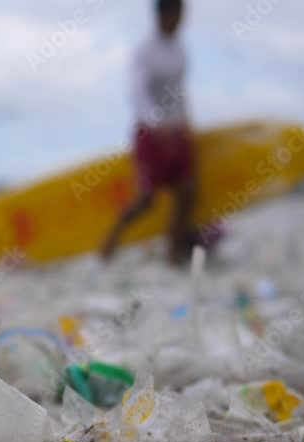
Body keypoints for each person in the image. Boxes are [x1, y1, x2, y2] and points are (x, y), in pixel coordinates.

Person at [101, 0, 195, 264]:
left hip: (177, 131)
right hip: (150, 133)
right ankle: (111, 239)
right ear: (162, 15)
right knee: (146, 199)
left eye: (181, 15)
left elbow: (179, 93)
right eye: (174, 15)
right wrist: (156, 122)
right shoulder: (145, 51)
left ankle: (173, 251)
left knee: (187, 191)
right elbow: (137, 92)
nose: (178, 21)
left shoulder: (180, 50)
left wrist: (186, 122)